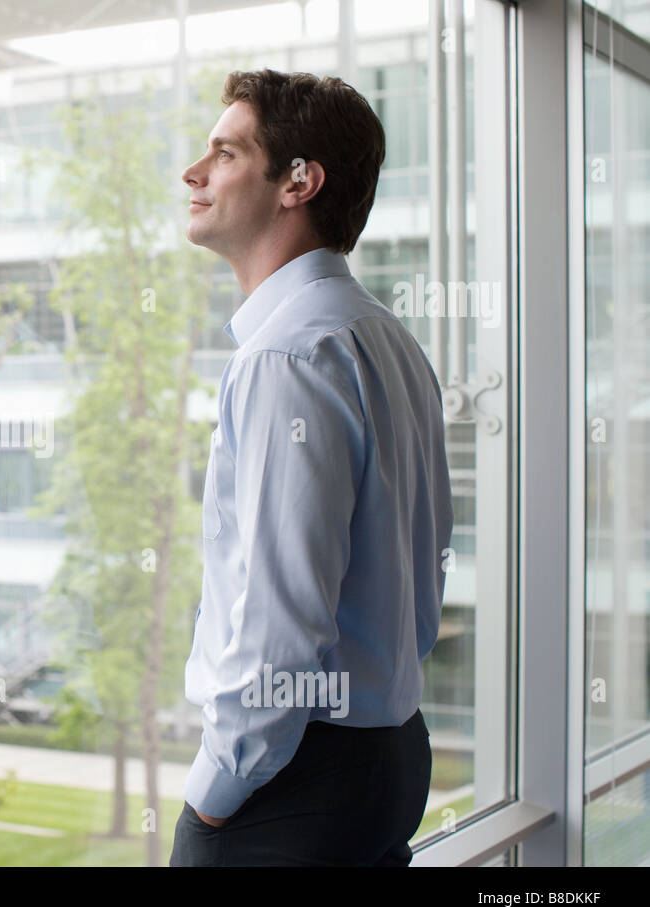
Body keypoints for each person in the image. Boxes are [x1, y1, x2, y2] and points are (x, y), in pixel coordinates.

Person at [170, 68, 454, 866]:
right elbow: (421, 592)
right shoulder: (385, 338)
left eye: (224, 153)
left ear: (300, 182)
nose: (193, 174)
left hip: (292, 787)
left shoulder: (287, 358)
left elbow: (278, 622)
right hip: (389, 755)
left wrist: (216, 795)